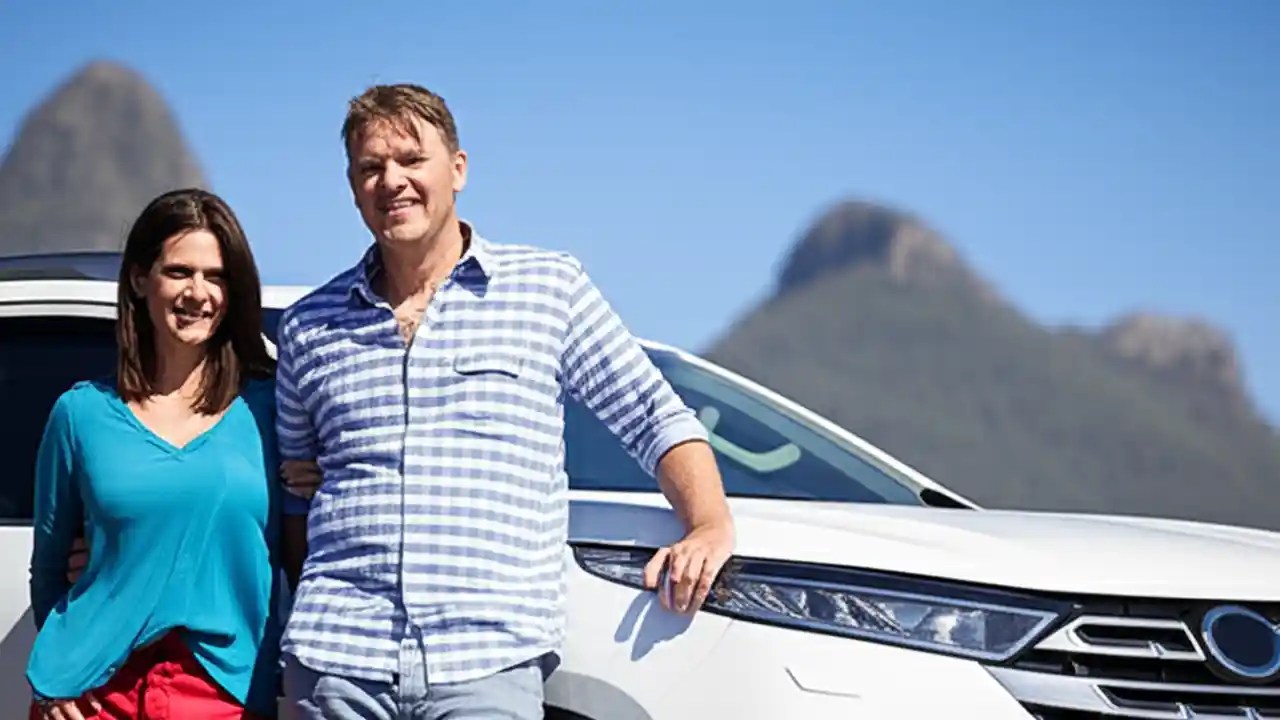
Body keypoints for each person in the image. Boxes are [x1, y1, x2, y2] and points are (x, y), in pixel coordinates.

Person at [273, 83, 737, 719]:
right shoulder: (308, 326)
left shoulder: (548, 288)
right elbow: (297, 490)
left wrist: (709, 522)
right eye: (371, 167)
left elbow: (653, 414)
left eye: (412, 160)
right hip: (336, 667)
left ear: (458, 170)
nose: (392, 181)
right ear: (352, 186)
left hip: (486, 664)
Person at [26, 188, 302, 720]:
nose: (199, 292)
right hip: (94, 699)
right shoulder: (79, 414)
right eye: (179, 272)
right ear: (138, 279)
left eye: (216, 276)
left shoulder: (272, 411)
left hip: (223, 699)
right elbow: (49, 568)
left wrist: (316, 473)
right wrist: (60, 681)